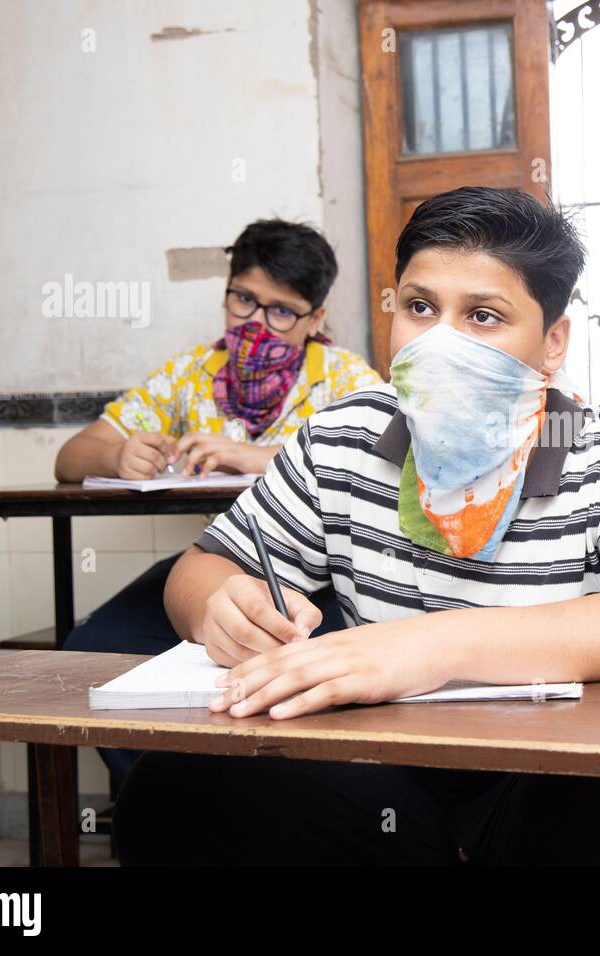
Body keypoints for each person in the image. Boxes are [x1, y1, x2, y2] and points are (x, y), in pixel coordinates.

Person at [113, 186, 600, 865]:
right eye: (420, 307)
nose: (442, 341)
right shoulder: (341, 440)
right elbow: (201, 568)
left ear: (552, 341)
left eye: (483, 315)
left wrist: (428, 648)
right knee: (178, 787)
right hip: (399, 772)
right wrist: (218, 606)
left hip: (557, 775)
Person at [57, 219, 380, 790]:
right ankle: (166, 807)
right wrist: (119, 456)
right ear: (226, 293)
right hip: (212, 568)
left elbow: (385, 461)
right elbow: (71, 456)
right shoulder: (190, 374)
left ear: (316, 319)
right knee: (90, 651)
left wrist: (256, 456)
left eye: (282, 311)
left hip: (319, 580)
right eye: (244, 300)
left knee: (295, 674)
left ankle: (260, 816)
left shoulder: (344, 378)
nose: (257, 324)